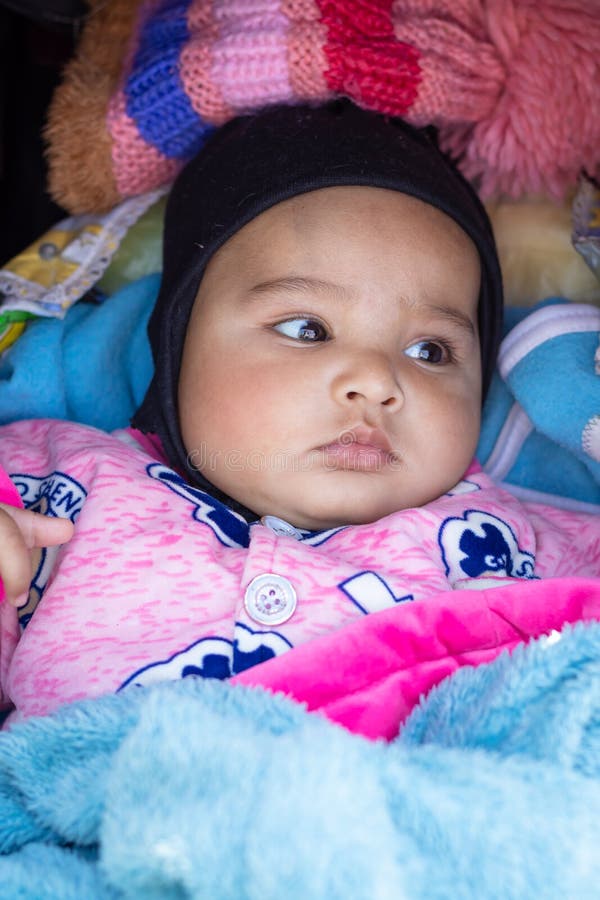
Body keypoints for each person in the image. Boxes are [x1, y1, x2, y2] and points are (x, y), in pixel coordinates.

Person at [0, 101, 597, 724]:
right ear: (175, 343)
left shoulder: (516, 539)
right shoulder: (60, 491)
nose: (377, 382)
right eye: (307, 329)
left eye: (431, 351)